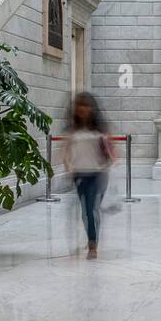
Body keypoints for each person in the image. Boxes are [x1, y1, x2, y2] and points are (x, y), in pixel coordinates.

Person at [61, 91, 114, 259]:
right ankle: (92, 237)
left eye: (86, 106)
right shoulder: (73, 129)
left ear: (92, 108)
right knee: (85, 211)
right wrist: (68, 165)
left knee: (91, 209)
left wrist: (106, 164)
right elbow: (67, 151)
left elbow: (109, 152)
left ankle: (93, 245)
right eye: (80, 106)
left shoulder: (99, 129)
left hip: (97, 174)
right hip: (79, 174)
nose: (83, 109)